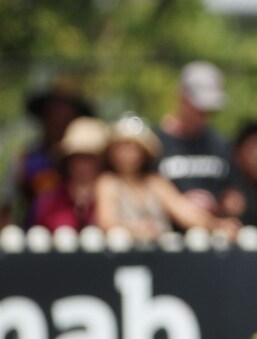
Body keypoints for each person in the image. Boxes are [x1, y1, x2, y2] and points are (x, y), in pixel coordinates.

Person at [95, 115, 239, 243]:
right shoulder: (107, 182)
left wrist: (216, 224)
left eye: (133, 147)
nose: (127, 154)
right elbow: (105, 221)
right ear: (111, 151)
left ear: (143, 151)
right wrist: (135, 230)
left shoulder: (156, 183)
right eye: (121, 147)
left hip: (159, 259)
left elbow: (185, 213)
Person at [1, 81, 93, 227]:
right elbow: (7, 204)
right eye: (53, 113)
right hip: (34, 239)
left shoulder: (92, 158)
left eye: (65, 113)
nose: (59, 119)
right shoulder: (25, 158)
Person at [155, 61, 237, 217]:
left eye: (209, 110)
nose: (204, 115)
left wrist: (220, 206)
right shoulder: (155, 143)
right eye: (198, 108)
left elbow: (234, 194)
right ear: (181, 97)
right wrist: (178, 205)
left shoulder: (220, 144)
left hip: (213, 234)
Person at [31, 116, 109, 231]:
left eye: (90, 158)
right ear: (67, 161)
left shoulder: (115, 197)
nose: (84, 164)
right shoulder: (49, 199)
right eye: (78, 157)